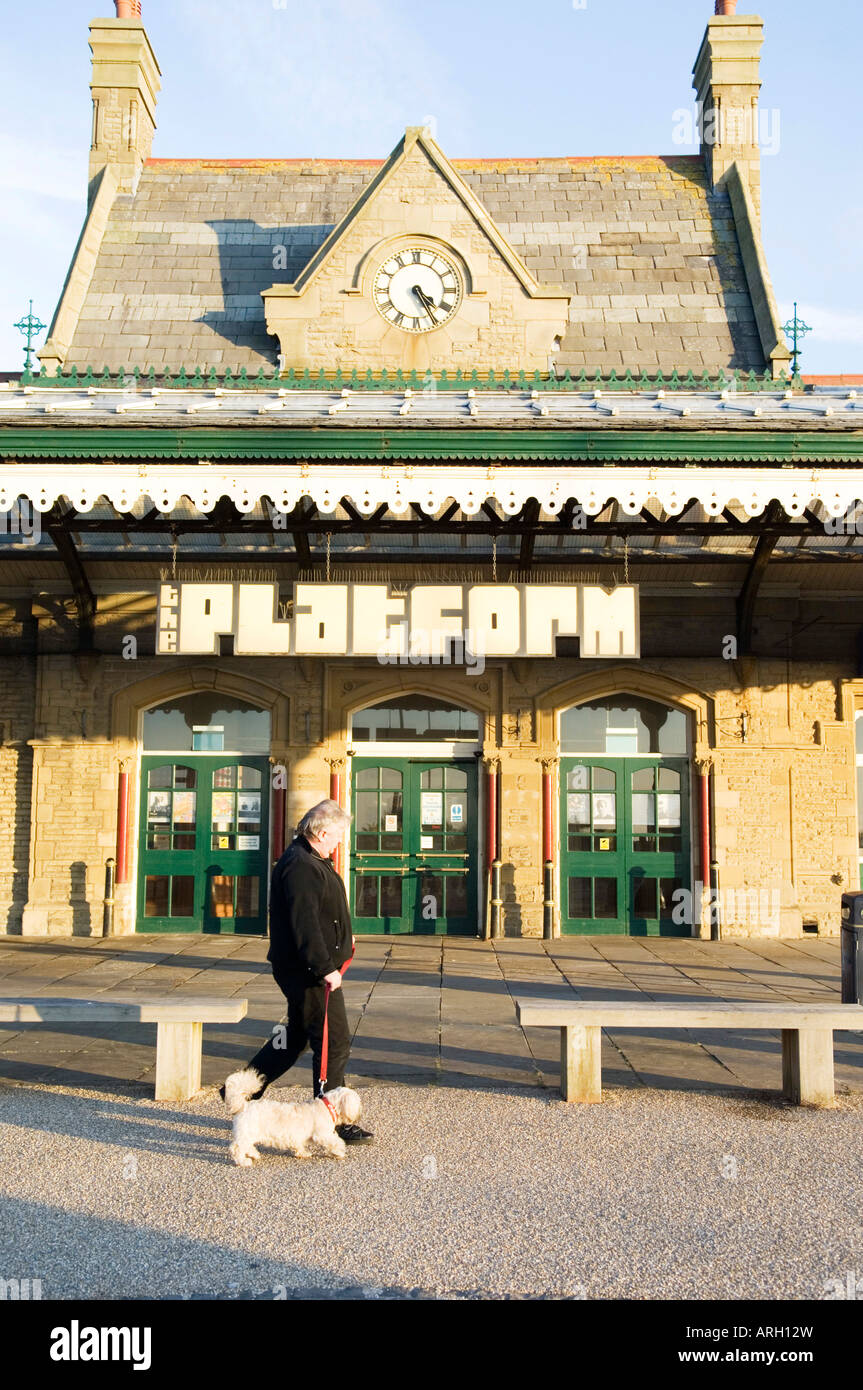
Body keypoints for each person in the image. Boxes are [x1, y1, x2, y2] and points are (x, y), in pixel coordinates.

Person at [221, 799, 372, 1144]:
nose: (340, 843)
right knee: (333, 1045)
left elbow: (322, 913)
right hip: (311, 973)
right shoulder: (301, 865)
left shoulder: (310, 857)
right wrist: (325, 968)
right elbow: (304, 924)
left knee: (293, 1039)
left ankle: (240, 1093)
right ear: (320, 833)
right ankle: (333, 1121)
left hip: (308, 969)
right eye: (337, 837)